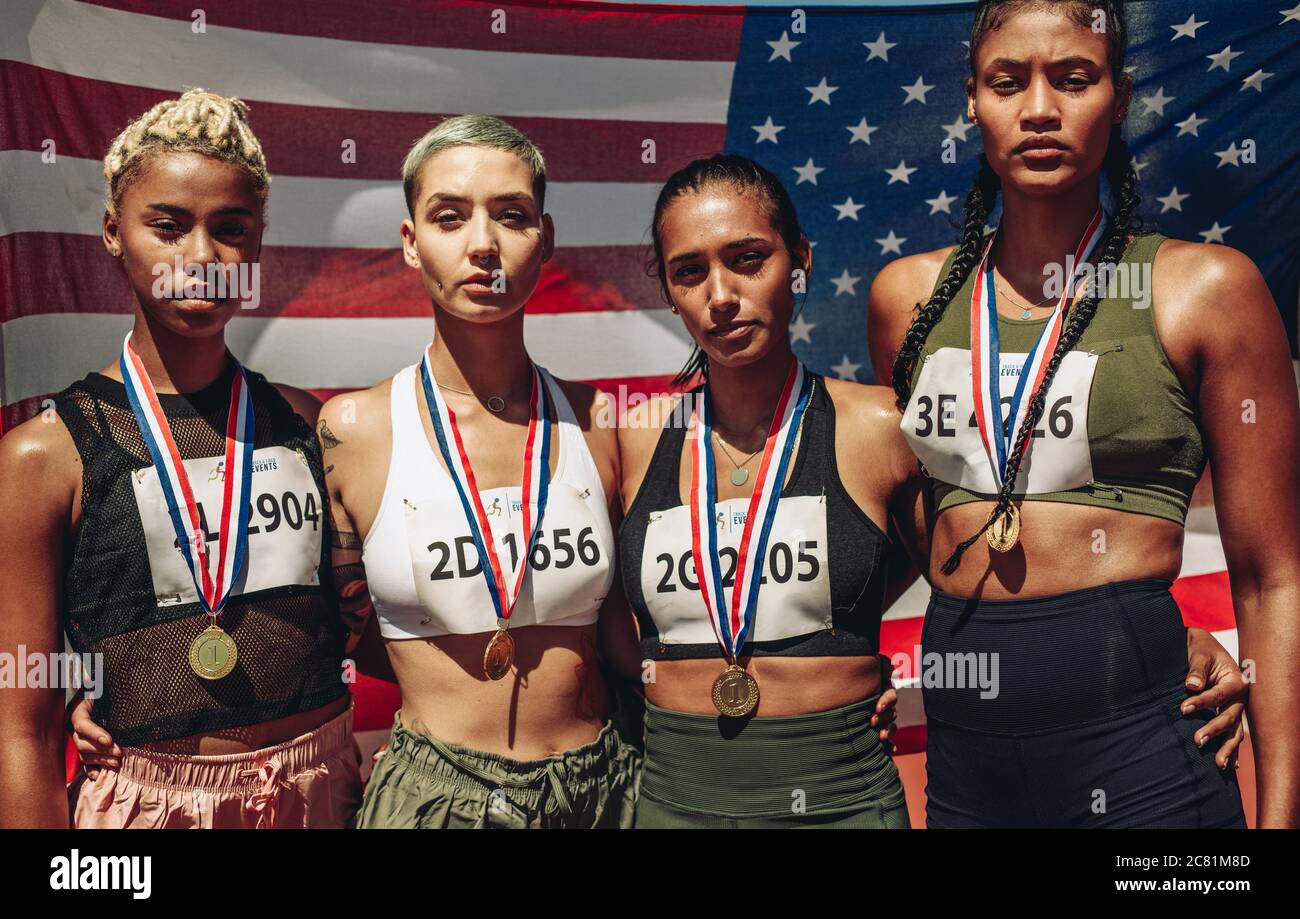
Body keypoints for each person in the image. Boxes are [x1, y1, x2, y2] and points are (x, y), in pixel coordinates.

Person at [868, 0, 1293, 827]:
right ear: (970, 100)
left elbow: (1275, 577)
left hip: (1146, 766)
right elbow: (912, 513)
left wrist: (1279, 821)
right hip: (967, 768)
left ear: (1122, 96)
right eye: (1006, 81)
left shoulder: (1206, 288)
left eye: (1073, 79)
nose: (1038, 109)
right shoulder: (905, 299)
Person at [0, 89, 362, 828]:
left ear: (257, 244)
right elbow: (20, 722)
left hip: (324, 787)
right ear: (112, 231)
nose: (201, 258)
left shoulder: (307, 421)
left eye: (230, 229)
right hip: (147, 806)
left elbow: (380, 627)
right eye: (167, 226)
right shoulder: (44, 451)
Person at [328, 115, 640, 829]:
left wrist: (815, 684)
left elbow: (642, 629)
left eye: (511, 215)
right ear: (411, 243)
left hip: (606, 786)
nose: (482, 245)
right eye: (449, 216)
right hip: (437, 794)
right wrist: (102, 689)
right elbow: (296, 620)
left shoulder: (606, 424)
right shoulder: (351, 433)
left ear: (546, 239)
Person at [617, 154, 942, 828]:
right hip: (673, 798)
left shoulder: (880, 424)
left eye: (746, 259)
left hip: (842, 796)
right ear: (669, 291)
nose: (721, 295)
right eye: (690, 271)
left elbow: (972, 582)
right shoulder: (632, 439)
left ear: (800, 264)